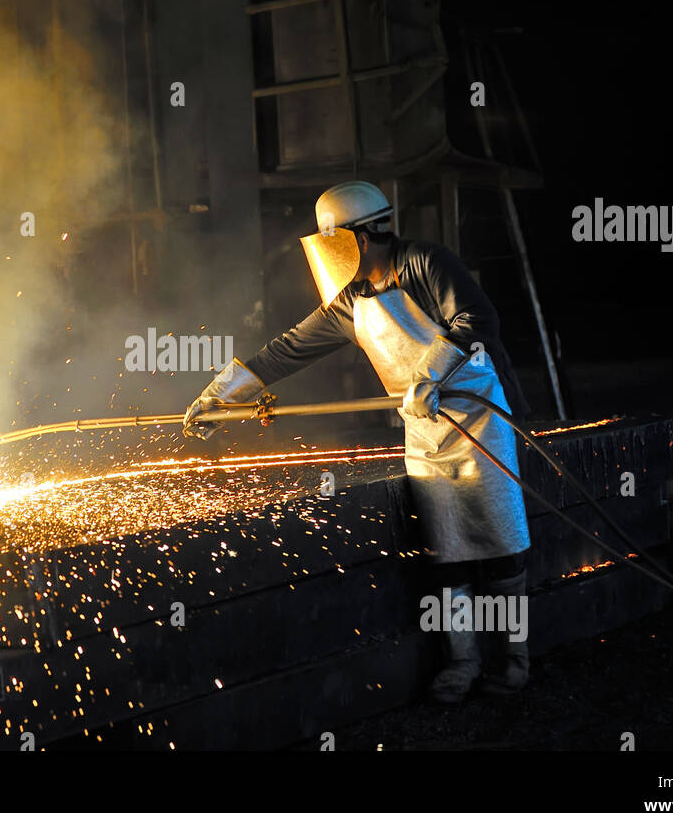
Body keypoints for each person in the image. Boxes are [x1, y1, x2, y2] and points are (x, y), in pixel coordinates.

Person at [182, 180, 532, 703]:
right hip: (423, 429)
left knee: (502, 549)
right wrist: (219, 396)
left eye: (330, 242)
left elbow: (477, 320)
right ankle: (463, 662)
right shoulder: (350, 301)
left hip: (479, 420)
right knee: (451, 552)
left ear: (357, 239)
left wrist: (430, 375)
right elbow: (287, 350)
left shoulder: (425, 264)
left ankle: (514, 660)